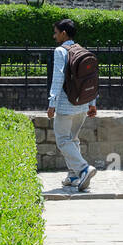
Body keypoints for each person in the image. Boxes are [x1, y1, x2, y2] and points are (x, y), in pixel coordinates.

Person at [47, 18, 98, 191]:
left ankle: (84, 169)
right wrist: (92, 102)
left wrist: (52, 102)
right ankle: (73, 175)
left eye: (56, 32)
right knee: (73, 139)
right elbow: (90, 79)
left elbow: (58, 78)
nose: (54, 36)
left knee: (62, 140)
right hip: (83, 104)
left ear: (63, 33)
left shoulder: (60, 51)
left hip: (65, 104)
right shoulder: (81, 50)